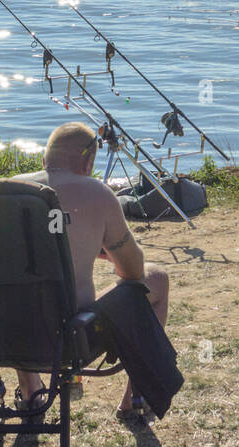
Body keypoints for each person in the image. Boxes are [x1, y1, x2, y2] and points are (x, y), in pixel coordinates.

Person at [15, 122, 169, 420]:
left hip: (9, 334)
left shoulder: (9, 189)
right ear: (88, 163)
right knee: (157, 279)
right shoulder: (97, 193)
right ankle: (135, 400)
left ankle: (32, 394)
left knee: (22, 291)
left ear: (43, 161)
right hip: (74, 334)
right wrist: (107, 251)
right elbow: (133, 272)